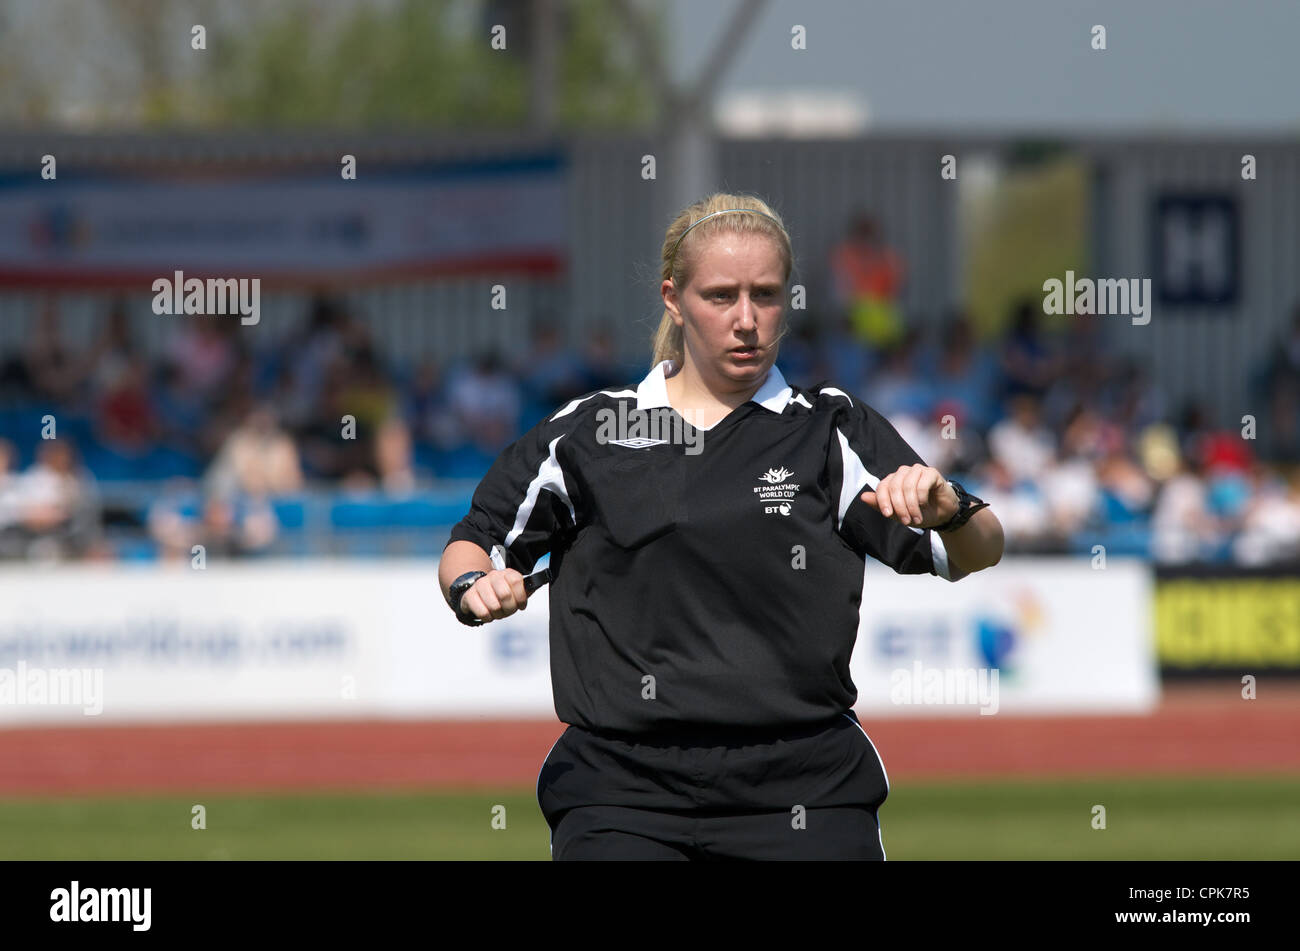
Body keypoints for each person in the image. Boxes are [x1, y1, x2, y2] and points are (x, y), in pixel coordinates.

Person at [439, 193, 1004, 861]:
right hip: (620, 795)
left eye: (765, 295)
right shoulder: (592, 432)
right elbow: (473, 540)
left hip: (805, 787)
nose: (746, 320)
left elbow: (977, 548)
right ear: (673, 299)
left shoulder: (830, 428)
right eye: (720, 296)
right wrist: (473, 585)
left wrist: (951, 509)